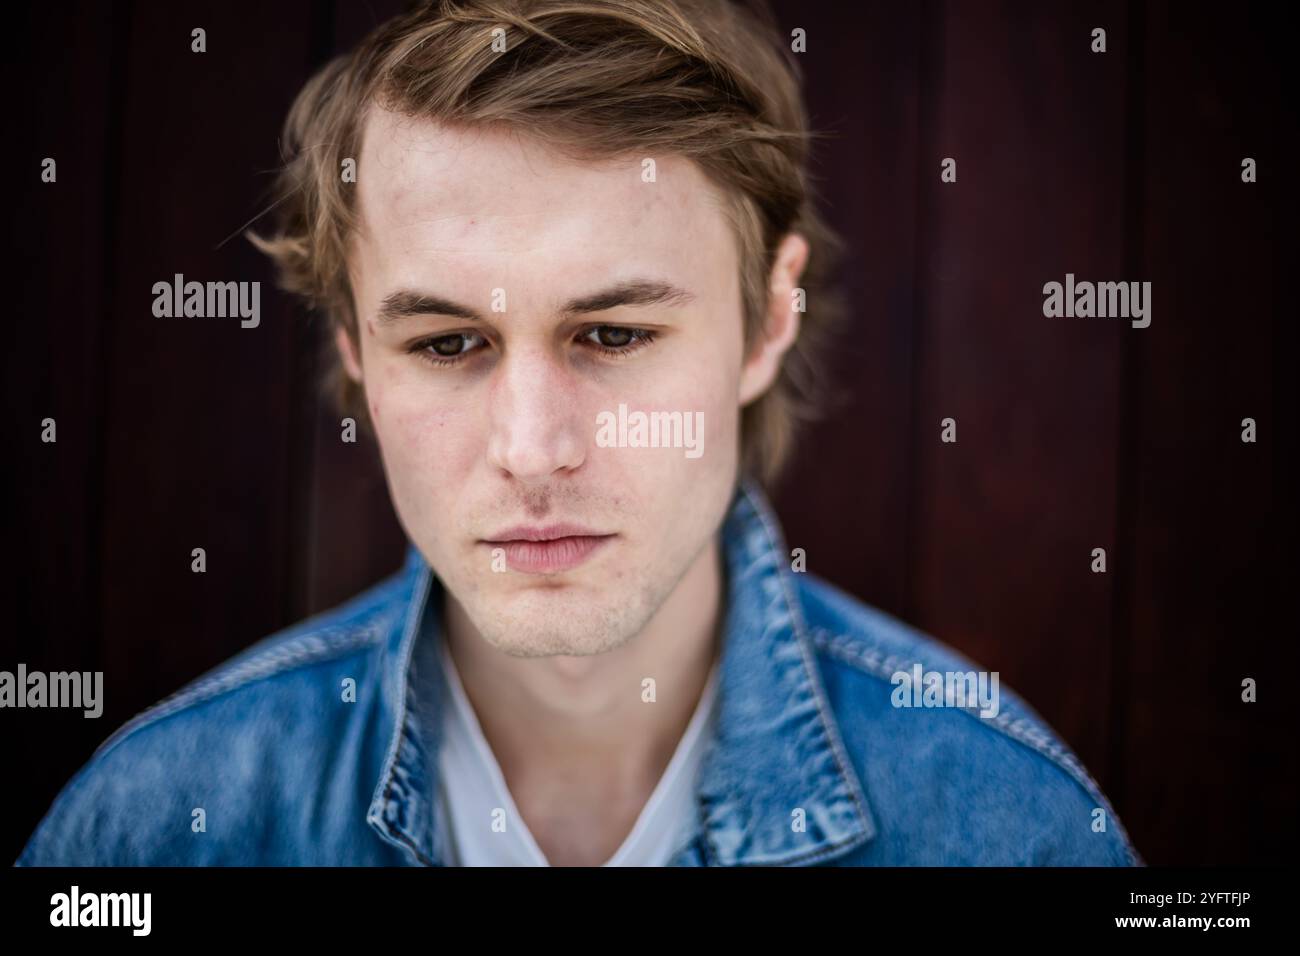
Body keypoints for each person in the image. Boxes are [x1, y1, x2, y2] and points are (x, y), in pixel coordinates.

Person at [16, 0, 1140, 867]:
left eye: (610, 332)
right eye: (448, 343)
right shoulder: (159, 824)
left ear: (768, 318)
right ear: (355, 345)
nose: (533, 447)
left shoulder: (1009, 822)